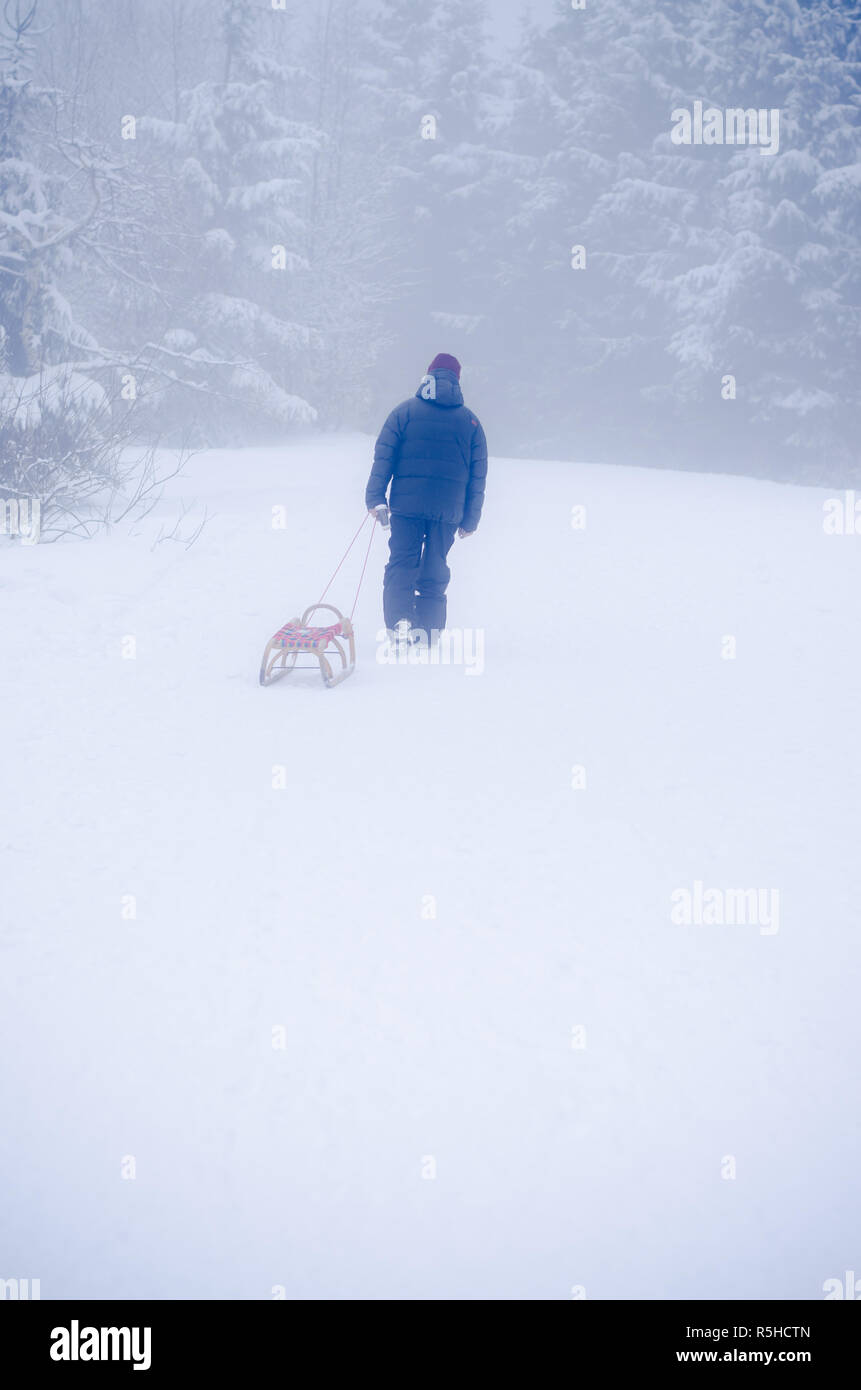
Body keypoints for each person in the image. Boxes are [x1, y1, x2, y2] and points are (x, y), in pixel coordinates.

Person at [365, 353, 488, 641]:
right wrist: (470, 518)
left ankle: (399, 624)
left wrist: (375, 497)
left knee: (402, 562)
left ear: (429, 376)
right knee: (434, 565)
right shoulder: (470, 423)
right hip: (448, 510)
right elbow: (478, 476)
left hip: (407, 506)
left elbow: (384, 457)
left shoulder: (404, 412)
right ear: (457, 379)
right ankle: (429, 632)